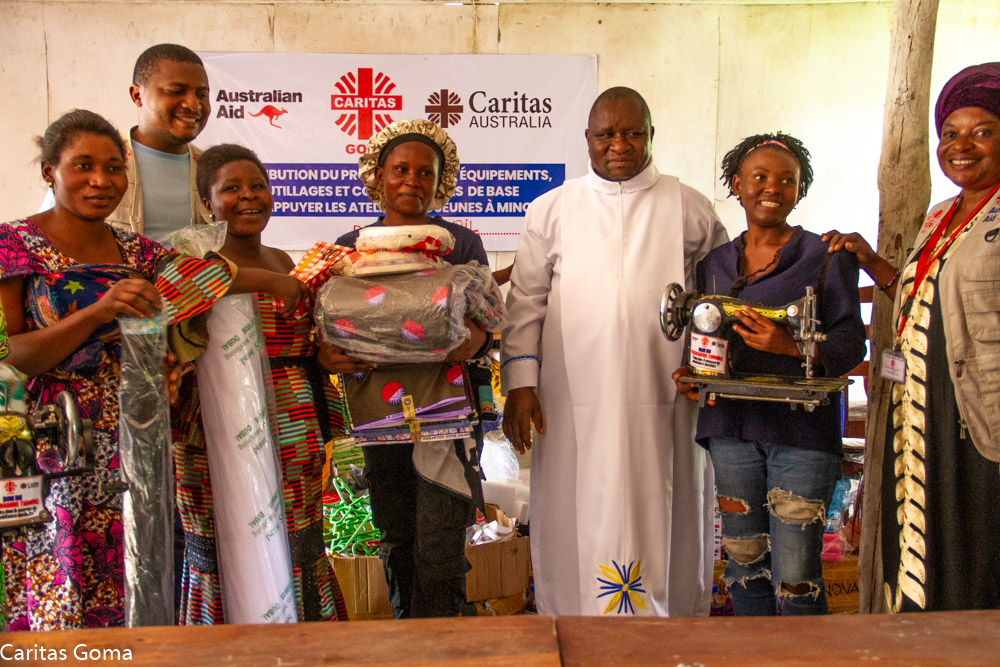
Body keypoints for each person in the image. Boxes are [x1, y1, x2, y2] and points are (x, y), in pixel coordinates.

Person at [0, 110, 301, 631]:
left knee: (143, 576)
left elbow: (209, 276)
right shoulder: (15, 244)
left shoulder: (136, 250)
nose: (101, 180)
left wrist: (280, 283)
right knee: (60, 582)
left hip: (135, 440)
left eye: (114, 168)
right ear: (50, 170)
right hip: (50, 445)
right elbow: (10, 356)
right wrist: (99, 312)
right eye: (83, 166)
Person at [501, 87, 728, 616]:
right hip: (571, 397)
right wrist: (521, 387)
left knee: (669, 498)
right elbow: (527, 301)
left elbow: (720, 301)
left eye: (632, 133)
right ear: (587, 138)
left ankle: (668, 627)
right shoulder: (552, 209)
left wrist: (711, 374)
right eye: (606, 134)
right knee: (574, 501)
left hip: (668, 394)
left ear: (652, 136)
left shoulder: (689, 207)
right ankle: (574, 624)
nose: (619, 145)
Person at [825, 62, 1000, 612]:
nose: (961, 146)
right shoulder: (942, 215)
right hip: (918, 412)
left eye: (982, 131)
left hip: (974, 414)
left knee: (975, 544)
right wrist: (873, 261)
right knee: (925, 536)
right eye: (950, 133)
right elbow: (925, 292)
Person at [673, 133, 866, 616]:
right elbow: (708, 336)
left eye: (786, 180)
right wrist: (694, 372)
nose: (772, 188)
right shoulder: (714, 263)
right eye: (759, 177)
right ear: (736, 184)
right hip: (732, 429)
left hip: (800, 431)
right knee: (741, 565)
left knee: (797, 575)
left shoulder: (826, 257)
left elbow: (849, 347)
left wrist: (790, 344)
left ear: (800, 191)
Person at [318, 119, 491, 619]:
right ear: (377, 174)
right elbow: (330, 330)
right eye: (400, 169)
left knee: (439, 548)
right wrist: (331, 352)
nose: (412, 180)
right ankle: (406, 638)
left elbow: (482, 332)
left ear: (442, 181)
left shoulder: (459, 246)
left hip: (446, 420)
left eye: (425, 172)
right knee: (397, 537)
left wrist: (462, 341)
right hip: (379, 417)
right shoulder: (350, 247)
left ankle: (442, 646)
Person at [170, 144, 348, 624]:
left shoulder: (282, 257)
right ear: (207, 202)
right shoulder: (191, 256)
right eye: (231, 188)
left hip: (293, 424)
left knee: (297, 538)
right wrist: (269, 285)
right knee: (221, 540)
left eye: (257, 186)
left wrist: (326, 350)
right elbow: (186, 292)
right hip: (210, 427)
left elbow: (301, 340)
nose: (249, 197)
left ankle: (307, 648)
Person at [40, 44, 212, 241]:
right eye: (176, 91)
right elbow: (49, 239)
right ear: (137, 95)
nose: (193, 104)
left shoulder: (211, 169)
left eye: (202, 94)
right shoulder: (96, 160)